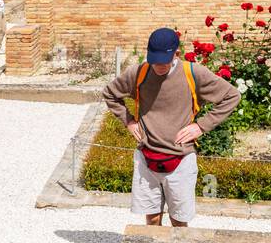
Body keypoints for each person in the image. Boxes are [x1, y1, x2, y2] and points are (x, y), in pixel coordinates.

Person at [102, 26, 240, 228]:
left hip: (181, 158)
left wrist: (201, 126)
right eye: (154, 60)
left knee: (179, 220)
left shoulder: (193, 73)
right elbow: (110, 94)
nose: (158, 66)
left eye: (163, 61)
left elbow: (231, 96)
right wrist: (129, 121)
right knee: (152, 219)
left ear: (177, 54)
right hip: (146, 157)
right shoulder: (139, 73)